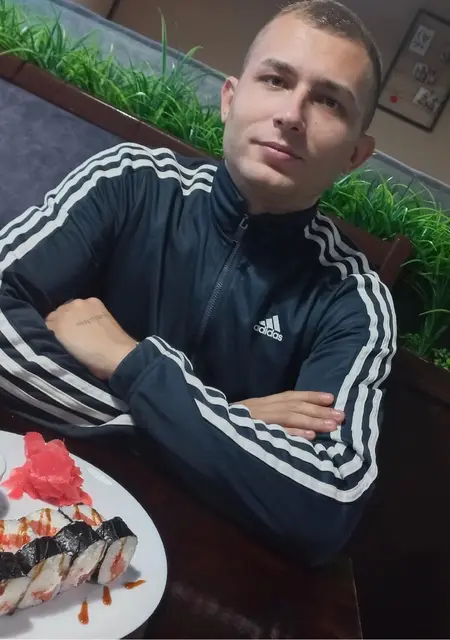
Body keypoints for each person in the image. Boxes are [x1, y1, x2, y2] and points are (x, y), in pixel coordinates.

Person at [0, 0, 395, 564]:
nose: (292, 114)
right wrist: (219, 419)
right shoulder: (131, 181)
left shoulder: (352, 299)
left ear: (355, 153)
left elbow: (326, 503)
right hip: (30, 509)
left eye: (329, 100)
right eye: (276, 80)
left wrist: (131, 362)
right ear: (230, 98)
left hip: (193, 570)